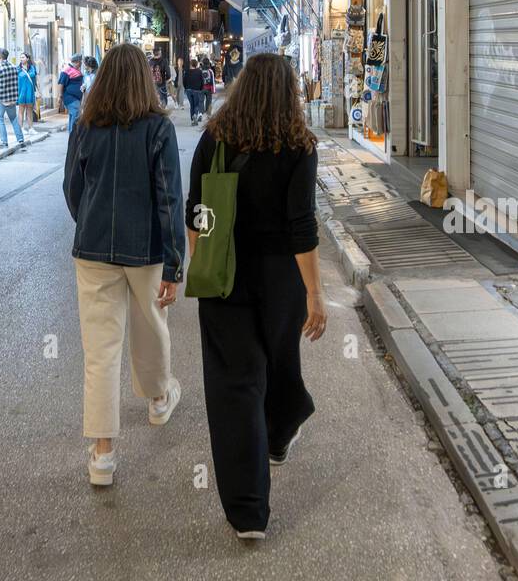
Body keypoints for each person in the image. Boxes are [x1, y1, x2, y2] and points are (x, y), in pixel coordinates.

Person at [186, 52, 326, 540]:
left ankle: (248, 512)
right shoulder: (300, 146)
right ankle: (284, 425)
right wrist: (314, 293)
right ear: (289, 93)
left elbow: (197, 211)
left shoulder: (215, 138)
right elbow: (301, 226)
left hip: (225, 275)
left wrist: (202, 257)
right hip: (281, 279)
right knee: (278, 363)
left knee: (235, 386)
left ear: (242, 88)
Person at [63, 43, 185, 487]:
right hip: (147, 249)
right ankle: (157, 399)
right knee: (151, 326)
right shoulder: (157, 129)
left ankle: (102, 456)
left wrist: (89, 222)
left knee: (100, 352)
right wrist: (174, 263)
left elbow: (72, 188)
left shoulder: (85, 126)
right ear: (145, 78)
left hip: (93, 250)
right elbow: (170, 198)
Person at [0, 48, 25, 146]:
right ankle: (20, 138)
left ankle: (4, 141)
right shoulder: (13, 67)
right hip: (12, 98)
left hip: (1, 99)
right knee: (14, 119)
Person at [59, 56, 85, 130]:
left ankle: (71, 135)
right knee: (76, 114)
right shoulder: (66, 70)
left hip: (75, 98)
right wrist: (60, 96)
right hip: (70, 97)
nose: (81, 64)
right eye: (80, 62)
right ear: (76, 62)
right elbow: (61, 83)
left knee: (73, 115)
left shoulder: (75, 70)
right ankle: (73, 135)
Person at [17, 53, 38, 133]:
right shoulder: (18, 69)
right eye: (20, 57)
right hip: (21, 92)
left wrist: (38, 90)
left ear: (27, 58)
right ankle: (21, 129)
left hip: (30, 91)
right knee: (21, 110)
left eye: (23, 57)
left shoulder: (32, 68)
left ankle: (31, 128)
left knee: (29, 110)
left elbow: (35, 80)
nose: (21, 59)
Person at [183, 57, 205, 125]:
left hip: (188, 90)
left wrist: (186, 88)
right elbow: (202, 81)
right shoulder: (199, 71)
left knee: (191, 105)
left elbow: (184, 81)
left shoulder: (187, 71)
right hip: (197, 90)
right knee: (196, 104)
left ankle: (192, 120)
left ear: (191, 64)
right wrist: (201, 88)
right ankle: (195, 114)